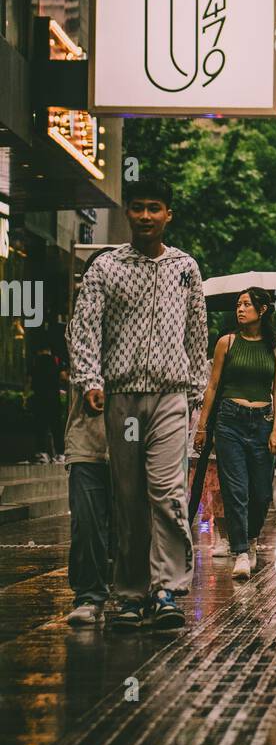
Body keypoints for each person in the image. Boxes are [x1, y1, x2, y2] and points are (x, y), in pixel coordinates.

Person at [69, 176, 208, 631]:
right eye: (138, 207)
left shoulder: (186, 268)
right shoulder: (106, 268)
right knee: (128, 498)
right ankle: (130, 595)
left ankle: (167, 590)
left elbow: (197, 333)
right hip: (122, 398)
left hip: (170, 397)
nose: (146, 216)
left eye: (155, 208)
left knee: (167, 493)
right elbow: (84, 327)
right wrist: (90, 380)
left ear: (168, 215)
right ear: (127, 212)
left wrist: (196, 393)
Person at [195, 288, 276, 581]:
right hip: (229, 421)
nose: (240, 309)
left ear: (263, 310)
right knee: (235, 490)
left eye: (247, 304)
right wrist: (202, 426)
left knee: (261, 493)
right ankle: (241, 552)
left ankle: (251, 538)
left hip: (262, 422)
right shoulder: (227, 342)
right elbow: (212, 386)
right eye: (238, 304)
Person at [64, 252, 112, 628]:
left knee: (127, 525)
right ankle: (88, 595)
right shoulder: (81, 327)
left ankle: (129, 592)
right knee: (87, 522)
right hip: (85, 439)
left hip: (130, 439)